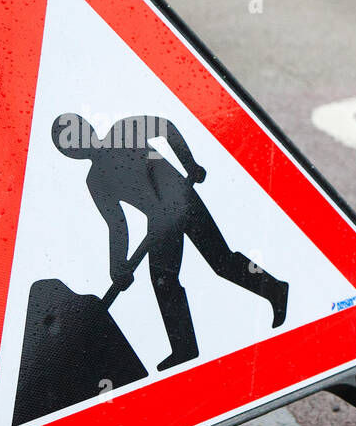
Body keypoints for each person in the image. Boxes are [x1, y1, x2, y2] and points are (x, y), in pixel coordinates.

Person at [51, 112, 289, 371]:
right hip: (160, 225)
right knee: (164, 282)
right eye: (68, 146)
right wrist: (117, 266)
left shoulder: (123, 130)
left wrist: (190, 165)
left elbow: (166, 128)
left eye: (75, 137)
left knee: (221, 262)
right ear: (69, 154)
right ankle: (184, 348)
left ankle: (275, 289)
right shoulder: (95, 180)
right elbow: (117, 224)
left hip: (183, 200)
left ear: (87, 128)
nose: (75, 147)